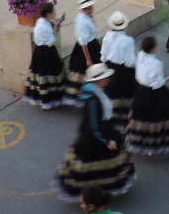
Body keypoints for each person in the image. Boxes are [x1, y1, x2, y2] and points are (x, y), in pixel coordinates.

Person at [55, 63, 136, 201]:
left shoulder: (96, 91)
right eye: (106, 77)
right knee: (95, 160)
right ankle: (95, 191)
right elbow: (94, 124)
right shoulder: (93, 99)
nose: (109, 79)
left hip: (104, 129)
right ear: (99, 80)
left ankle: (99, 188)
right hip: (96, 135)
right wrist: (106, 141)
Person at [126, 37, 169, 157]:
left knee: (143, 118)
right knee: (158, 119)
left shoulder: (140, 55)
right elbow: (157, 84)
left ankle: (145, 145)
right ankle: (158, 145)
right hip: (154, 93)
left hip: (141, 91)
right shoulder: (156, 64)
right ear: (153, 48)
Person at [23, 2, 67, 109]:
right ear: (48, 14)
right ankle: (47, 101)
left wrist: (58, 23)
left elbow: (52, 28)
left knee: (42, 75)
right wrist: (56, 27)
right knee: (49, 74)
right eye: (53, 12)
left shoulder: (41, 21)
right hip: (46, 53)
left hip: (40, 52)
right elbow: (52, 40)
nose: (55, 13)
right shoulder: (44, 27)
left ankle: (46, 100)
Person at [100, 12, 137, 126]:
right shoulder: (128, 40)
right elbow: (130, 61)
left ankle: (109, 114)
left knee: (110, 91)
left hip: (109, 67)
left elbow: (103, 56)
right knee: (125, 92)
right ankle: (124, 117)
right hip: (123, 70)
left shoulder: (107, 36)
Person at [65, 0, 101, 105]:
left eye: (90, 8)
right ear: (82, 9)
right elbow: (83, 42)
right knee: (84, 71)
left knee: (84, 72)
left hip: (91, 45)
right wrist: (88, 59)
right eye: (86, 9)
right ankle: (83, 96)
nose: (89, 10)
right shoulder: (83, 22)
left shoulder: (83, 17)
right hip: (86, 49)